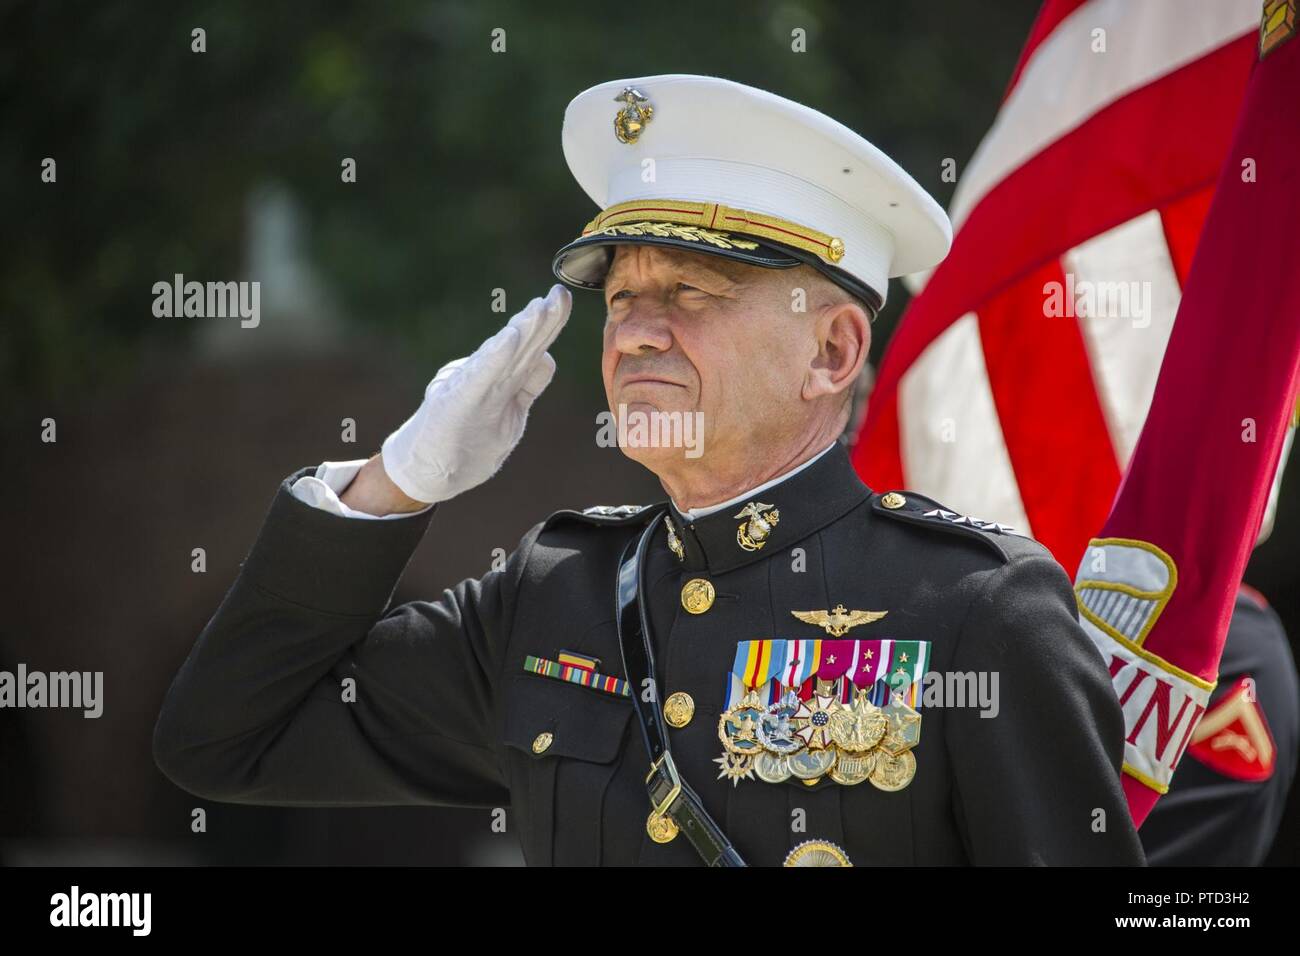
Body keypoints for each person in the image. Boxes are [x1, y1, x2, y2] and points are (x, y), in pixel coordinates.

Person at [153, 74, 1144, 866]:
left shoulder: (978, 609)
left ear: (832, 354)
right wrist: (391, 483)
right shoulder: (554, 592)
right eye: (619, 294)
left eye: (691, 289)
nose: (633, 329)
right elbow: (225, 738)